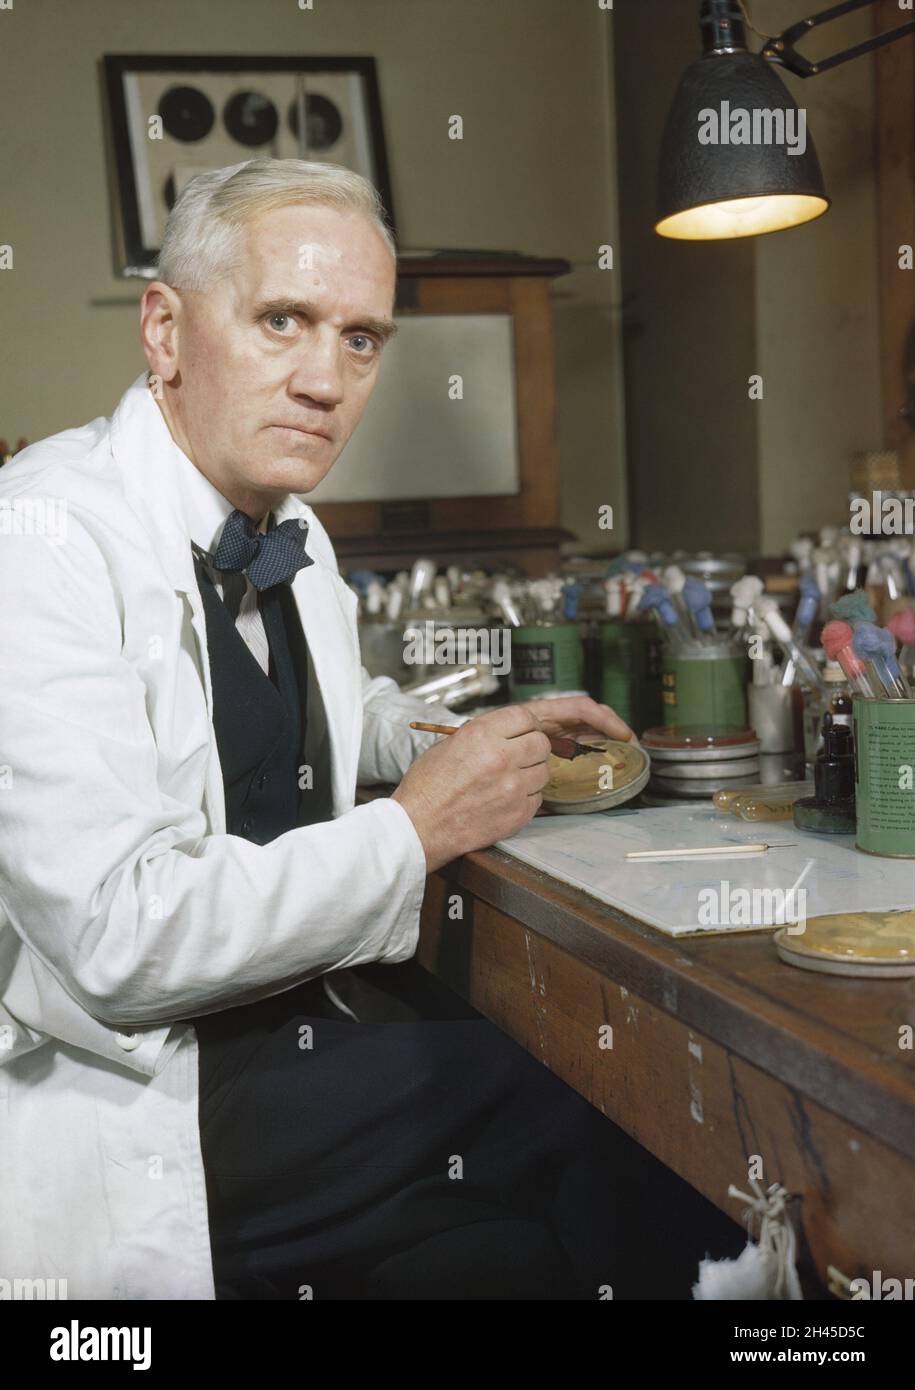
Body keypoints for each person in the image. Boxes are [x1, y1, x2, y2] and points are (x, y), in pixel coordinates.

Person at [0, 158, 741, 1299]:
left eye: (360, 338)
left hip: (299, 1025)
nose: (324, 378)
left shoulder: (287, 526)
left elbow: (299, 708)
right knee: (595, 1110)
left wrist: (441, 740)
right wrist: (410, 830)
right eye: (282, 320)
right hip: (170, 1086)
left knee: (522, 1243)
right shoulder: (40, 539)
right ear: (164, 329)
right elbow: (116, 937)